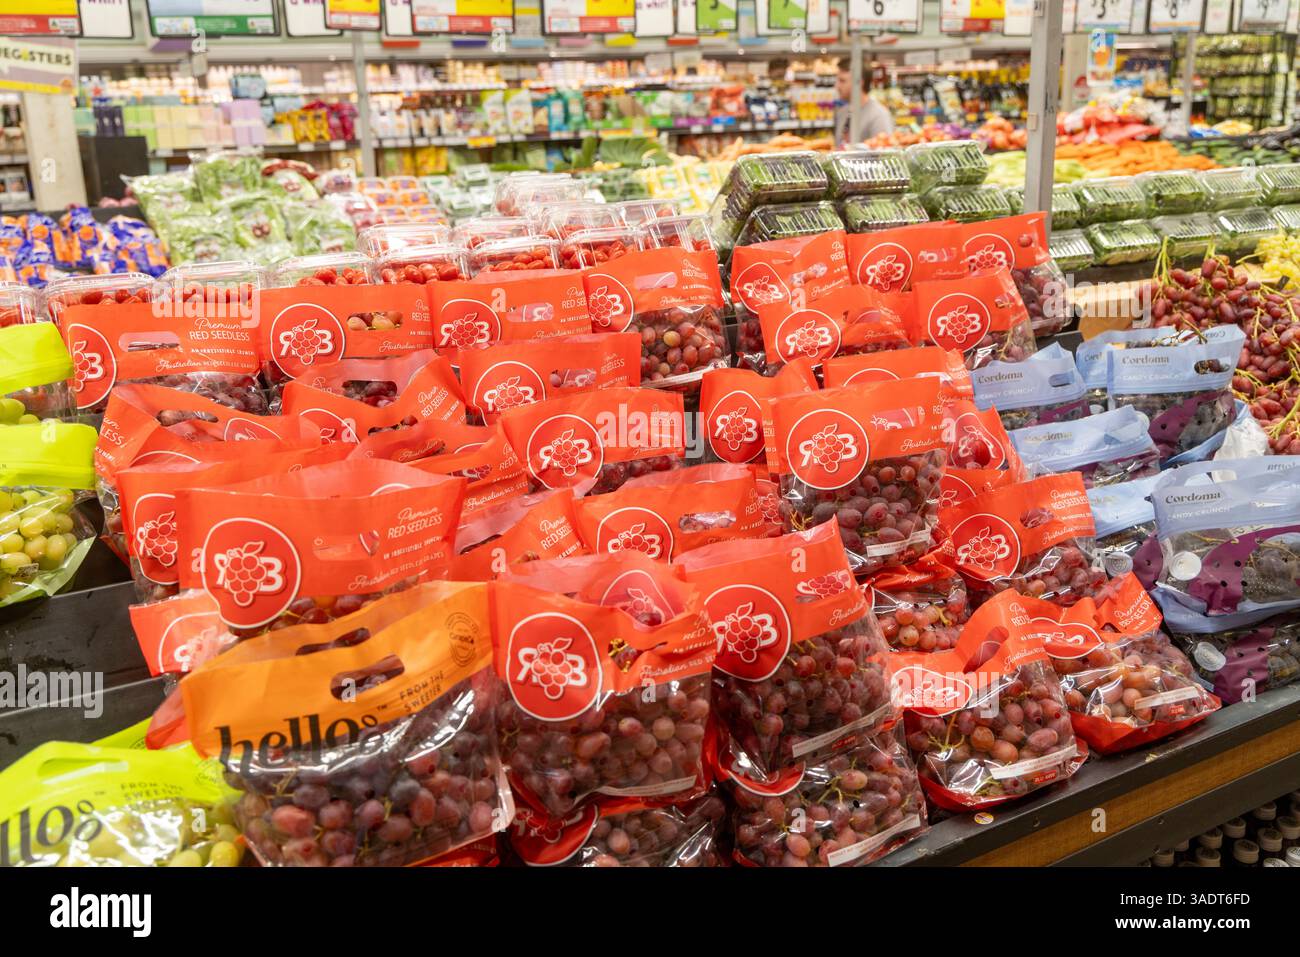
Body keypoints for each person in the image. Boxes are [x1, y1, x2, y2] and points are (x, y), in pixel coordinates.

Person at [835, 65, 895, 146]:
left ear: (859, 82)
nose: (836, 86)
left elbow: (885, 153)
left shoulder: (878, 116)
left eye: (842, 81)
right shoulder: (842, 112)